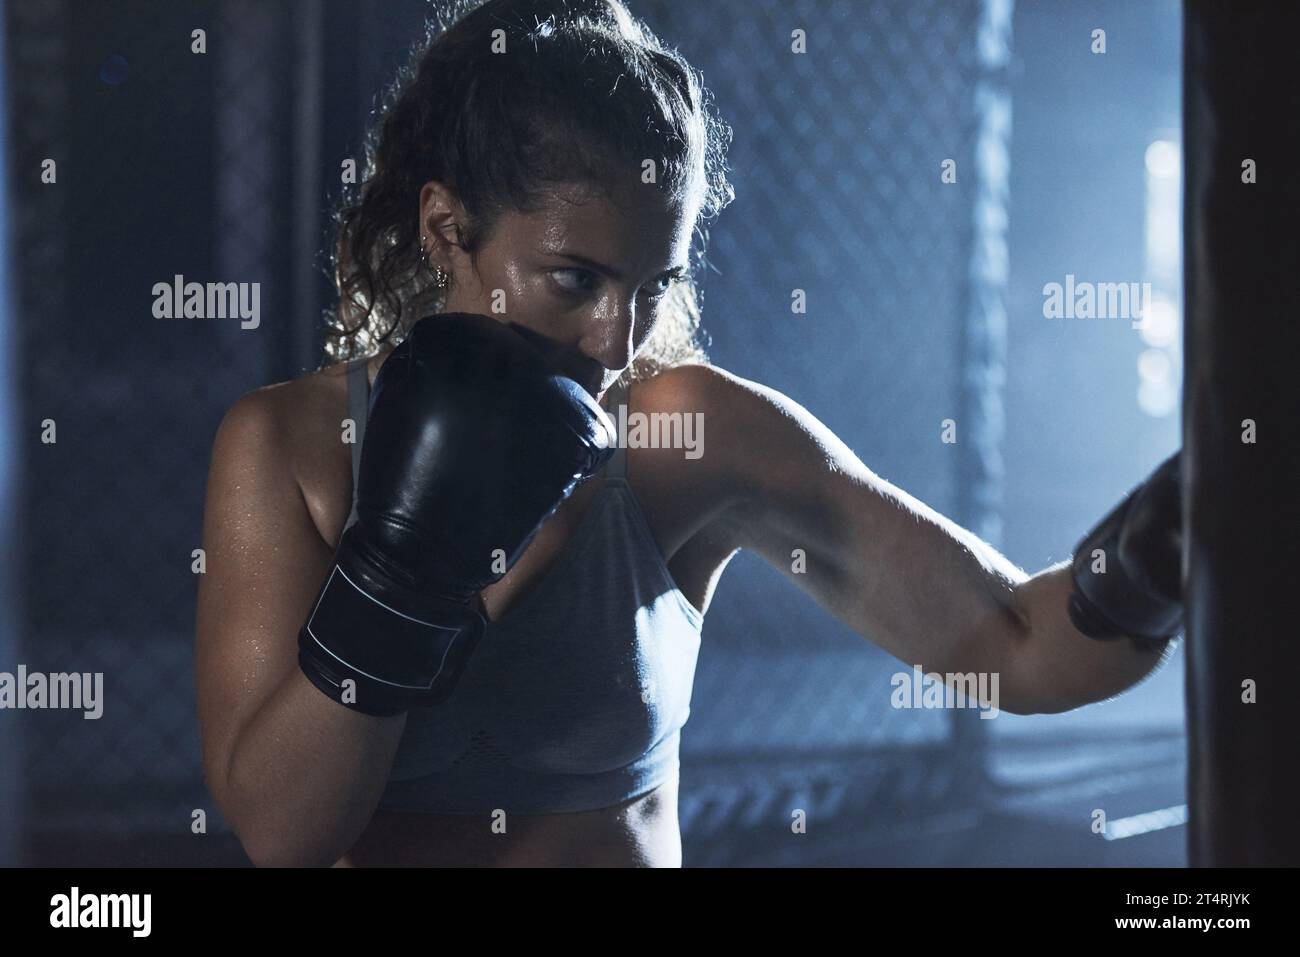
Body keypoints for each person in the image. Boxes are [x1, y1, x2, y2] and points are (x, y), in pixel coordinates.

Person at [194, 0, 1182, 868]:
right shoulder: (293, 447)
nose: (616, 337)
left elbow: (1017, 647)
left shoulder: (685, 438)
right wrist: (404, 578)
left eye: (651, 285)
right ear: (447, 227)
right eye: (575, 279)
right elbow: (285, 833)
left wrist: (1160, 548)